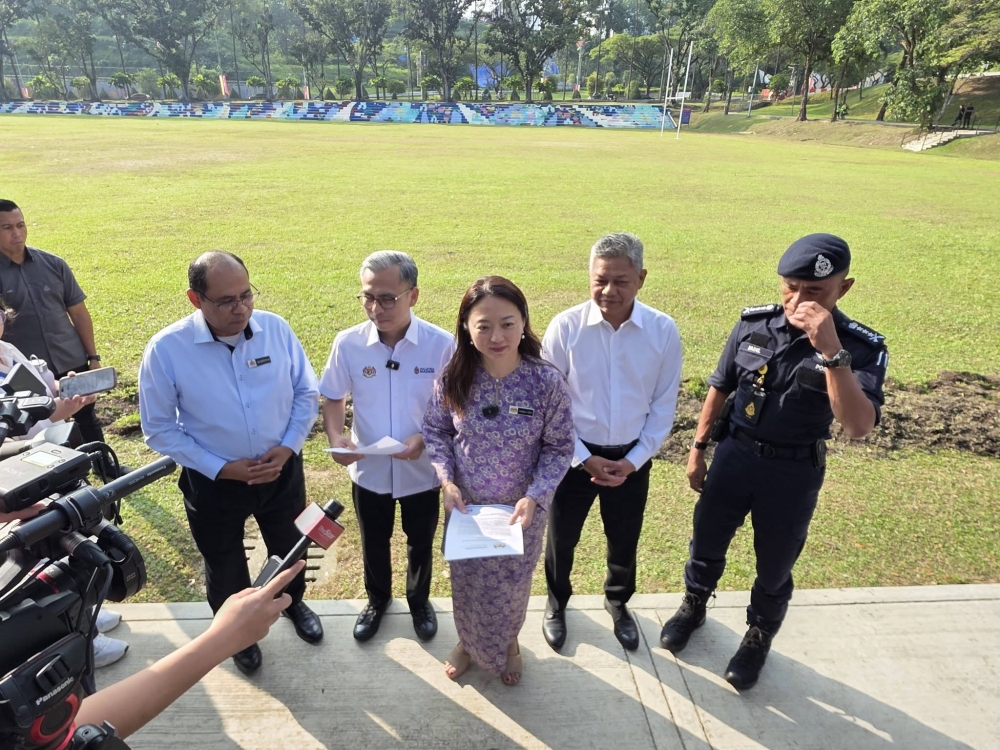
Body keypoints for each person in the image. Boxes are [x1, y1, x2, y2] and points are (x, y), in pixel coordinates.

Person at [660, 233, 887, 691]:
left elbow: (858, 425)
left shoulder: (860, 348)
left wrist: (831, 353)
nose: (798, 300)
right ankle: (694, 604)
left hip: (792, 472)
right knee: (706, 541)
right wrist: (698, 448)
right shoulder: (753, 324)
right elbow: (721, 386)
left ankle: (759, 634)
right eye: (790, 286)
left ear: (844, 289)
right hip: (734, 456)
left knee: (775, 563)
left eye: (815, 291)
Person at [138, 251, 323, 676]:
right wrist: (222, 468)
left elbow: (304, 393)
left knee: (291, 545)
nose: (239, 308)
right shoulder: (167, 349)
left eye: (246, 295)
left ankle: (294, 604)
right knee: (224, 561)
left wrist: (290, 445)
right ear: (194, 298)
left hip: (281, 470)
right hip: (214, 481)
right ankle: (234, 634)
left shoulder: (276, 329)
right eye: (225, 301)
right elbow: (159, 428)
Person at [423, 276, 575, 685]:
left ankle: (509, 643)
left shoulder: (546, 382)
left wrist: (535, 496)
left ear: (524, 322)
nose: (496, 336)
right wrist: (447, 481)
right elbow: (436, 431)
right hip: (467, 508)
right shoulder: (454, 377)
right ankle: (468, 643)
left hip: (521, 512)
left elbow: (560, 447)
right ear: (466, 329)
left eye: (507, 323)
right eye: (483, 325)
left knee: (512, 586)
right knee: (468, 583)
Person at [541, 233, 682, 652]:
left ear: (641, 278)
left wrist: (634, 460)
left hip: (631, 459)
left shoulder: (662, 331)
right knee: (561, 537)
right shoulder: (565, 328)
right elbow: (552, 404)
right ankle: (556, 602)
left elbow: (662, 405)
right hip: (573, 458)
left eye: (621, 281)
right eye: (600, 280)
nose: (609, 291)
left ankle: (618, 603)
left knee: (624, 537)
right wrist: (584, 459)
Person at [320, 251, 454, 642]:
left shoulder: (440, 345)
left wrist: (425, 439)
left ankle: (419, 601)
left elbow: (454, 408)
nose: (376, 308)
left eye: (388, 298)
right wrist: (335, 437)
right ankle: (377, 600)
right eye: (368, 297)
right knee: (373, 540)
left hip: (421, 469)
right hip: (370, 469)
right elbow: (332, 395)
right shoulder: (348, 344)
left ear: (414, 296)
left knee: (420, 541)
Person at [0, 297, 129, 668]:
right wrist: (57, 410)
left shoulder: (8, 350)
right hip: (16, 477)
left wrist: (62, 391)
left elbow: (42, 393)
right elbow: (18, 423)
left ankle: (85, 606)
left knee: (66, 541)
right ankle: (80, 639)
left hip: (50, 460)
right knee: (34, 559)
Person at [0, 200, 118, 461]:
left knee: (87, 417)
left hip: (69, 357)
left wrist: (93, 357)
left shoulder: (53, 263)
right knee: (41, 428)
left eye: (20, 225)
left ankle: (105, 468)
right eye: (7, 227)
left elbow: (78, 313)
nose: (16, 233)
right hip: (26, 372)